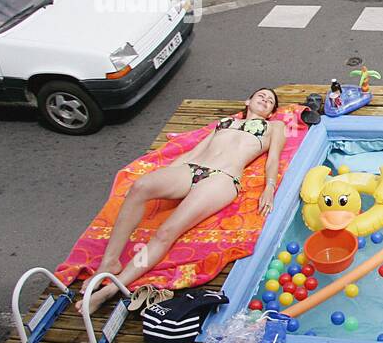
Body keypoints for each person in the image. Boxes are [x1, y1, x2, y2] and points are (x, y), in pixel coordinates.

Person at [82, 88, 288, 314]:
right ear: (248, 100)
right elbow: (194, 152)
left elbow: (274, 159)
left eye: (270, 102)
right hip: (191, 169)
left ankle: (111, 289)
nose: (266, 100)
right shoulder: (226, 121)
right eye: (262, 96)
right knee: (140, 186)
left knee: (167, 231)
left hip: (222, 178)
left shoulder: (274, 127)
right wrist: (165, 176)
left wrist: (269, 187)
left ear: (271, 114)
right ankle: (108, 262)